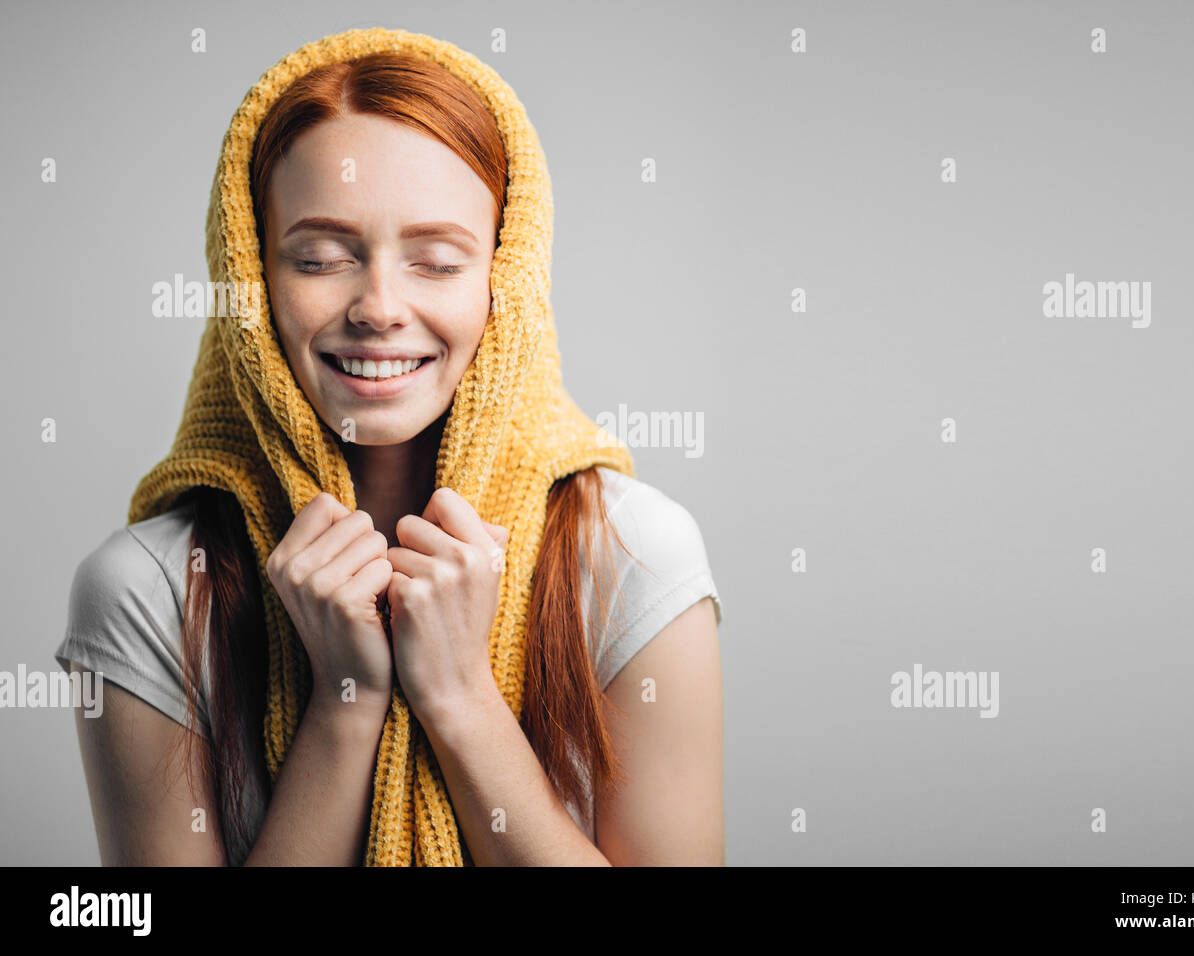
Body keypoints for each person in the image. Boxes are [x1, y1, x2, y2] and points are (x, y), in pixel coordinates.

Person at [56, 30, 724, 866]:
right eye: (321, 258)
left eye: (437, 263)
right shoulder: (146, 589)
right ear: (253, 279)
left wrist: (458, 696)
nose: (378, 306)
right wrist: (346, 702)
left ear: (506, 282)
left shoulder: (633, 556)